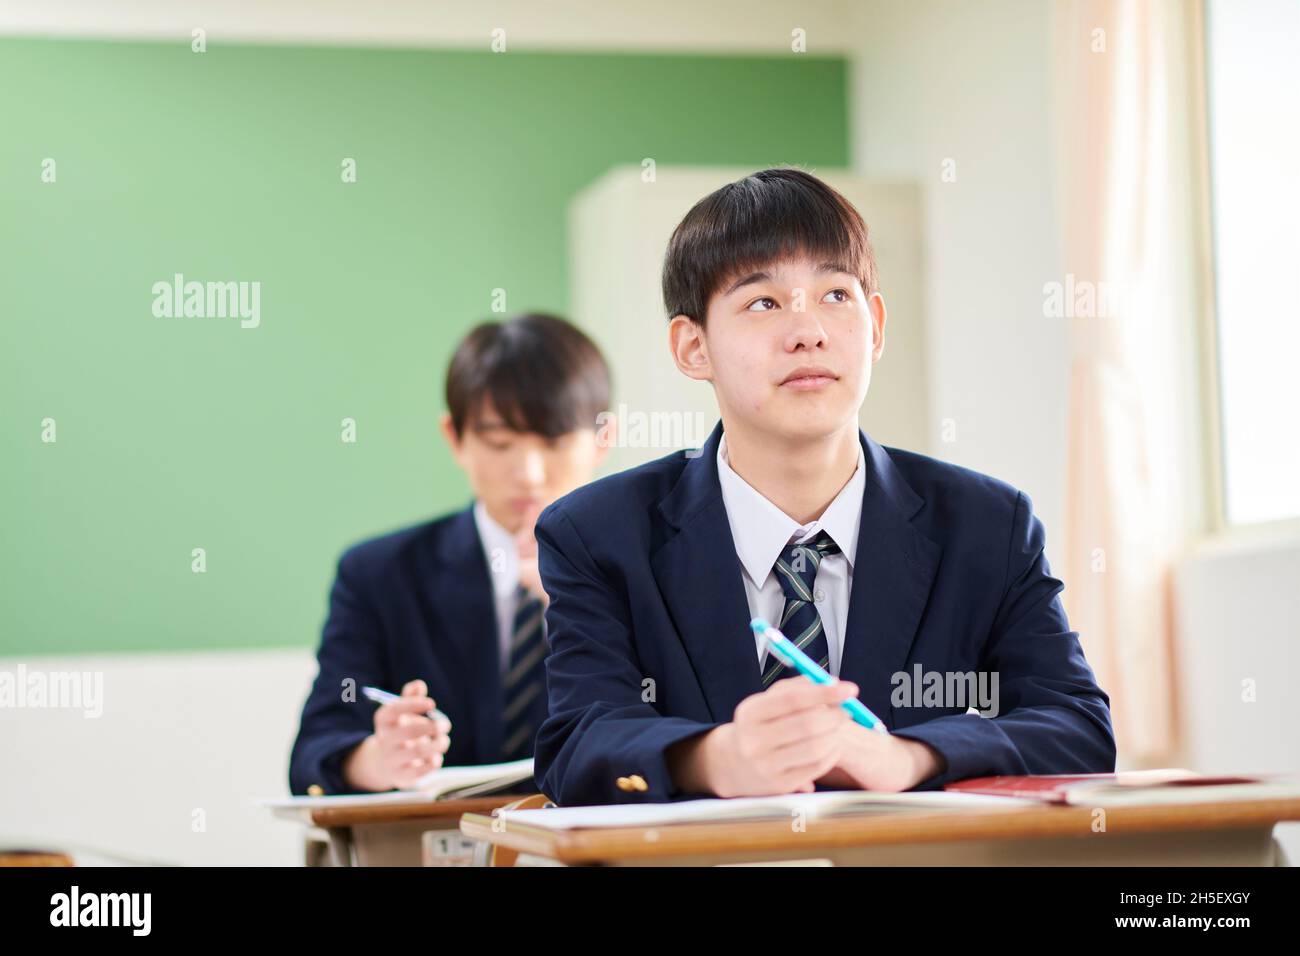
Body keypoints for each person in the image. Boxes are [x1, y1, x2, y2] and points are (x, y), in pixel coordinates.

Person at [533, 168, 1115, 805]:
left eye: (837, 295)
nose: (808, 330)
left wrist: (910, 756)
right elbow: (577, 744)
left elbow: (1078, 729)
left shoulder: (988, 524)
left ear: (877, 326)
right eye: (764, 302)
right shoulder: (596, 535)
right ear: (693, 346)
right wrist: (713, 759)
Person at [290, 313, 611, 794]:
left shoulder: (649, 567)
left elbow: (685, 732)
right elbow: (313, 754)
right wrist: (379, 759)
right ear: (454, 438)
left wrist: (574, 606)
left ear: (604, 438)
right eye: (499, 442)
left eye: (554, 442)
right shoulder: (379, 575)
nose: (529, 473)